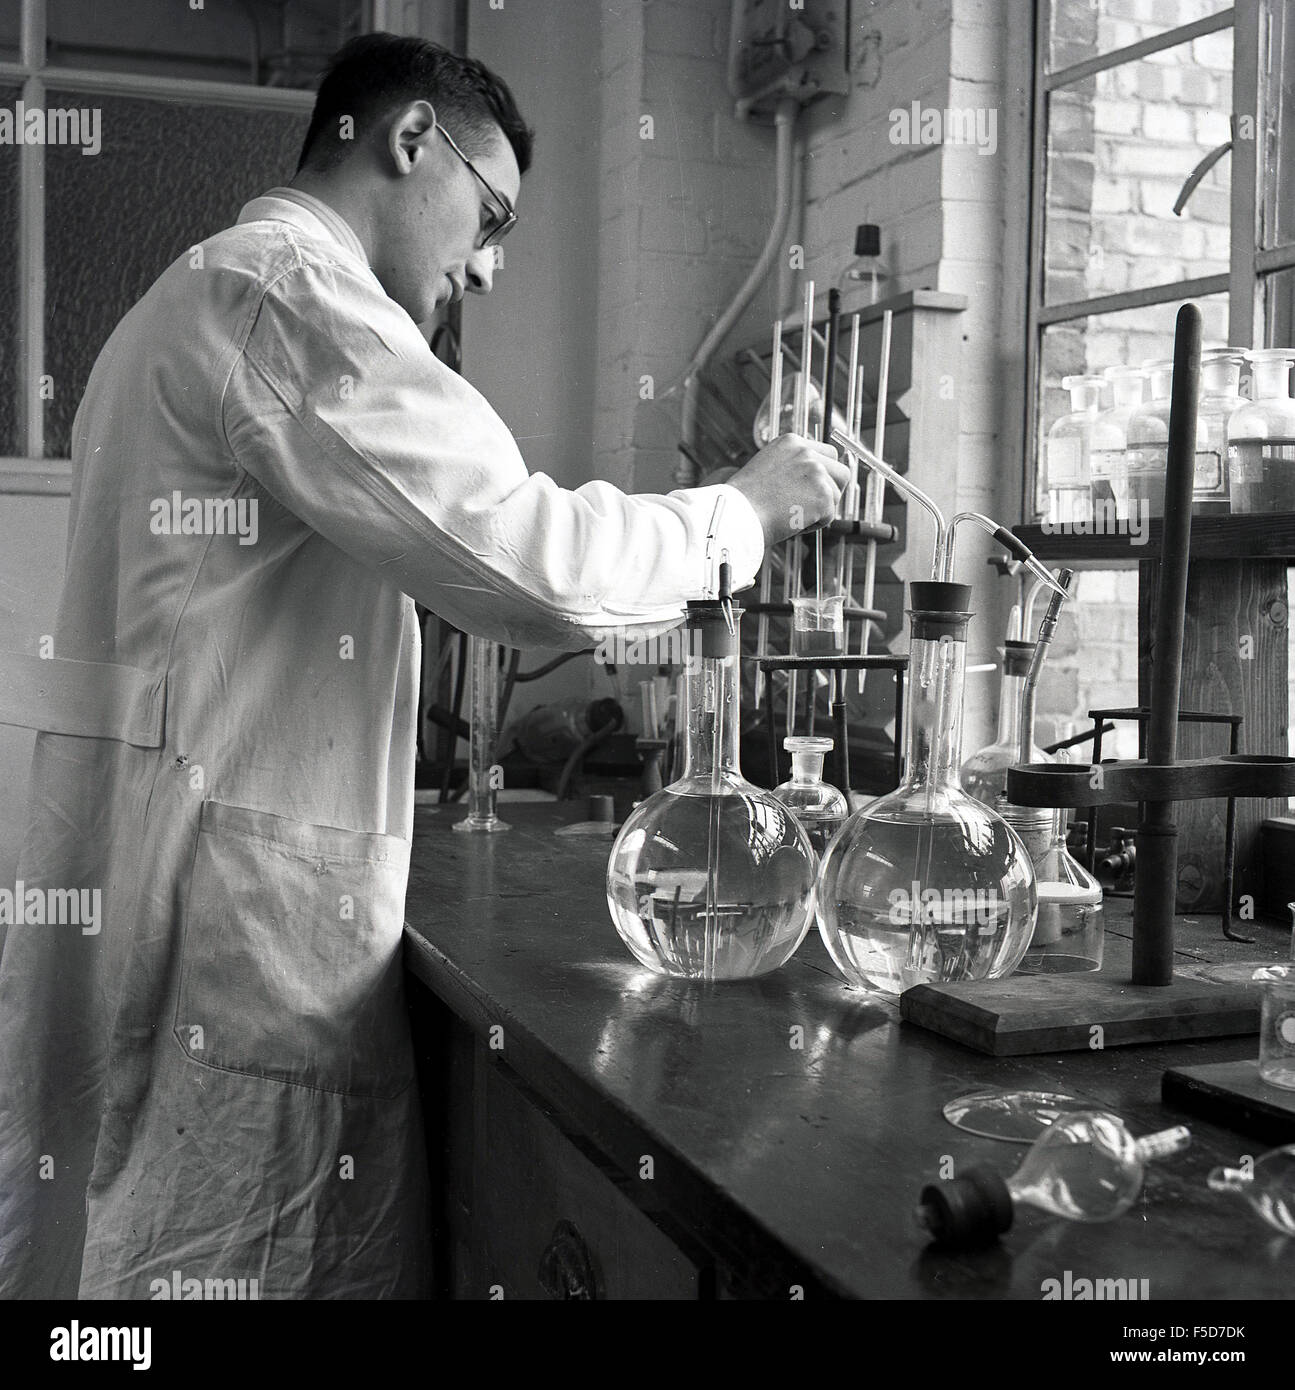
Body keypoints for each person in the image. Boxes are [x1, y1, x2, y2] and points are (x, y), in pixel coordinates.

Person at [0, 33, 847, 1299]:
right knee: (240, 1251)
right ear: (408, 142)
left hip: (168, 871)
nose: (488, 265)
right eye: (489, 213)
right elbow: (521, 559)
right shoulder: (287, 292)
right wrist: (741, 514)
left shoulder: (180, 302)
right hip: (235, 921)